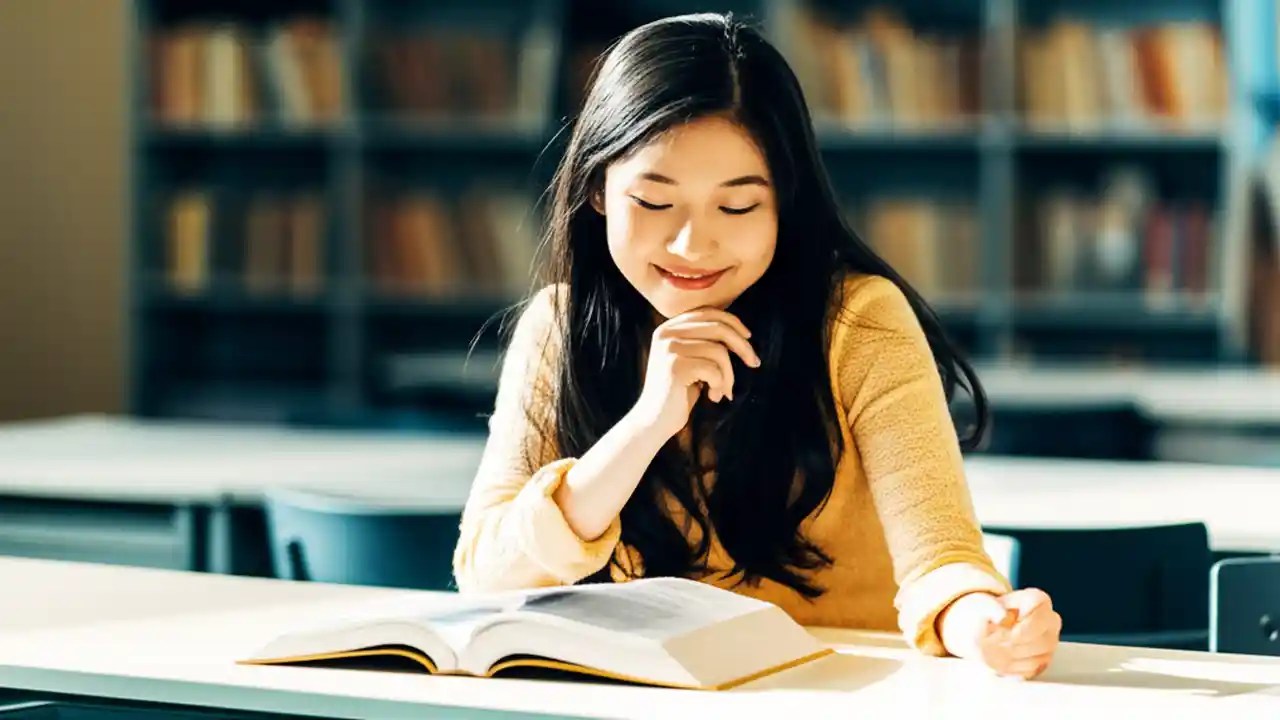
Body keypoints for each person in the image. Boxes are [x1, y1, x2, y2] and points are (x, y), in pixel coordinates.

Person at [452, 12, 1061, 679]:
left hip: (829, 698)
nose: (691, 245)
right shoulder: (559, 327)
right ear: (598, 189)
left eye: (737, 208)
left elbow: (940, 559)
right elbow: (488, 576)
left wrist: (986, 625)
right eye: (654, 202)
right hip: (643, 698)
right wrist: (646, 426)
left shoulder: (859, 321)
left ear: (784, 203)